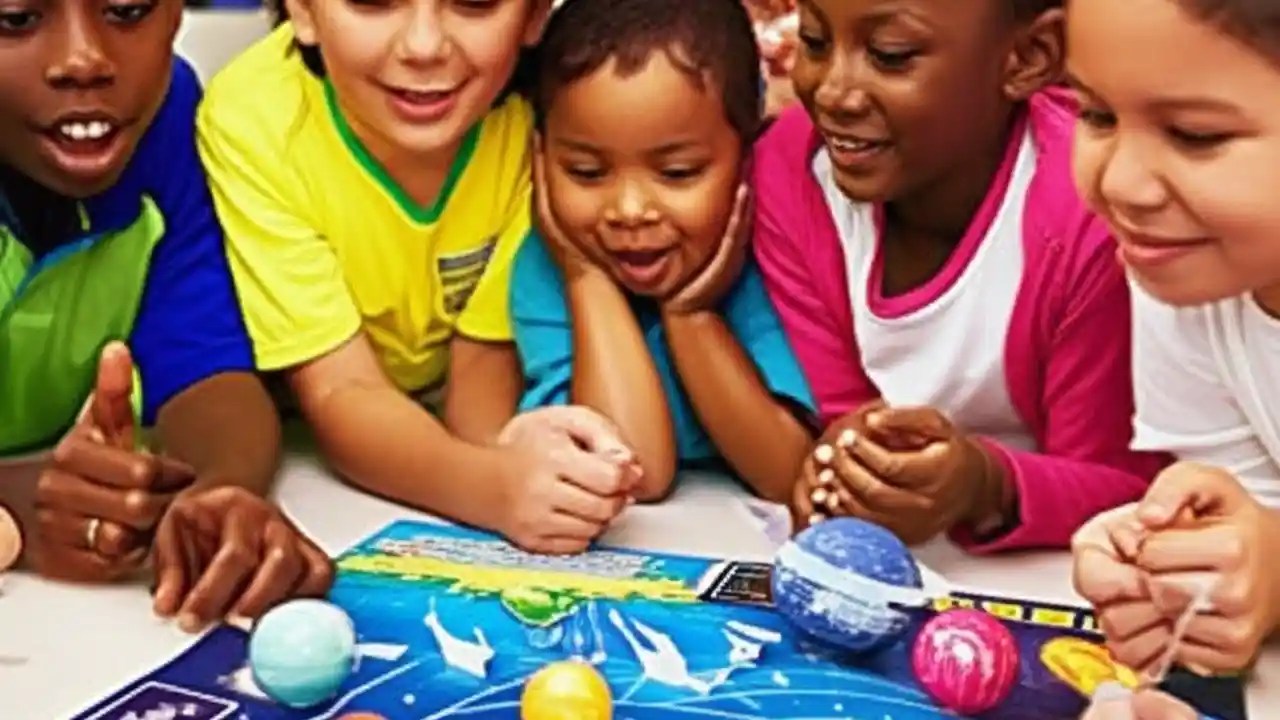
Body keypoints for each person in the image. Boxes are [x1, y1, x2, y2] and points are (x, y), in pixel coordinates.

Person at [197, 0, 639, 555]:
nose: (424, 46)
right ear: (303, 11)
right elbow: (341, 388)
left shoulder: (546, 118)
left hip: (409, 450)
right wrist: (493, 489)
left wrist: (516, 454)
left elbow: (482, 363)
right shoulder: (255, 117)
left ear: (533, 18)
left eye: (475, 3)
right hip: (304, 464)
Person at [751, 0, 1168, 549]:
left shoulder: (1090, 223)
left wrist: (985, 484)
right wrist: (854, 457)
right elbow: (847, 417)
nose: (833, 91)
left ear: (1027, 57)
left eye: (889, 55)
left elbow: (1129, 491)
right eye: (815, 41)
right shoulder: (791, 169)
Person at [0, 0, 331, 629]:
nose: (84, 60)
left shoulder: (164, 117)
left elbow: (206, 370)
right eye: (14, 19)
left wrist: (214, 493)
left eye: (126, 10)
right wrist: (16, 502)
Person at [512, 0, 815, 503]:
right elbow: (635, 469)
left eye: (677, 173)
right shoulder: (552, 266)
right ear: (540, 159)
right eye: (586, 173)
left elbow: (787, 475)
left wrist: (692, 316)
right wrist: (586, 278)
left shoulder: (768, 258)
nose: (629, 210)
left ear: (747, 158)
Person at [1068, 0, 1280, 705]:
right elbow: (1252, 509)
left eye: (1195, 134)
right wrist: (1185, 568)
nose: (1122, 185)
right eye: (1096, 114)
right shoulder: (1189, 270)